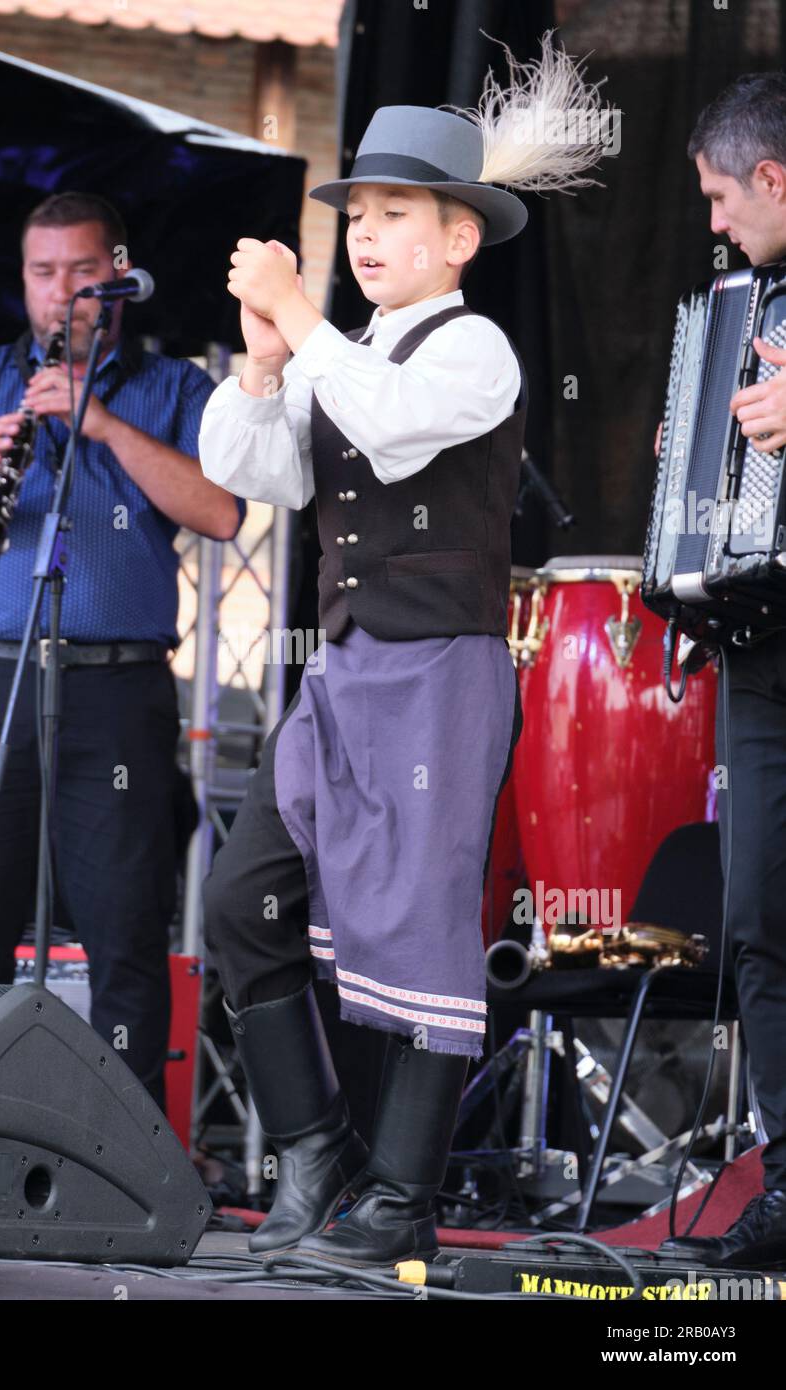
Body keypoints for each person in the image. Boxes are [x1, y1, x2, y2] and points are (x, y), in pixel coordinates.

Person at [198, 41, 610, 1264]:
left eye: (391, 217)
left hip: (438, 678)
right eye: (357, 216)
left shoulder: (472, 351)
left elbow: (381, 433)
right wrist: (265, 361)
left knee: (422, 929)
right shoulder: (344, 357)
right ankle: (316, 1147)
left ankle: (397, 1204)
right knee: (241, 902)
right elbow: (249, 470)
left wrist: (299, 320)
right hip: (344, 679)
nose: (366, 236)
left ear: (458, 239)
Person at [0, 192, 245, 1112]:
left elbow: (223, 511)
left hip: (115, 693)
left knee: (127, 938)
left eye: (81, 274)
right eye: (43, 275)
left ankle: (125, 1177)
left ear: (116, 278)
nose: (60, 295)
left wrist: (101, 428)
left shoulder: (176, 391)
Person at [657, 74, 786, 1270]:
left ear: (772, 178)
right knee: (755, 916)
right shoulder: (748, 303)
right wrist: (687, 459)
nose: (711, 223)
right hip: (764, 645)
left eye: (715, 197)